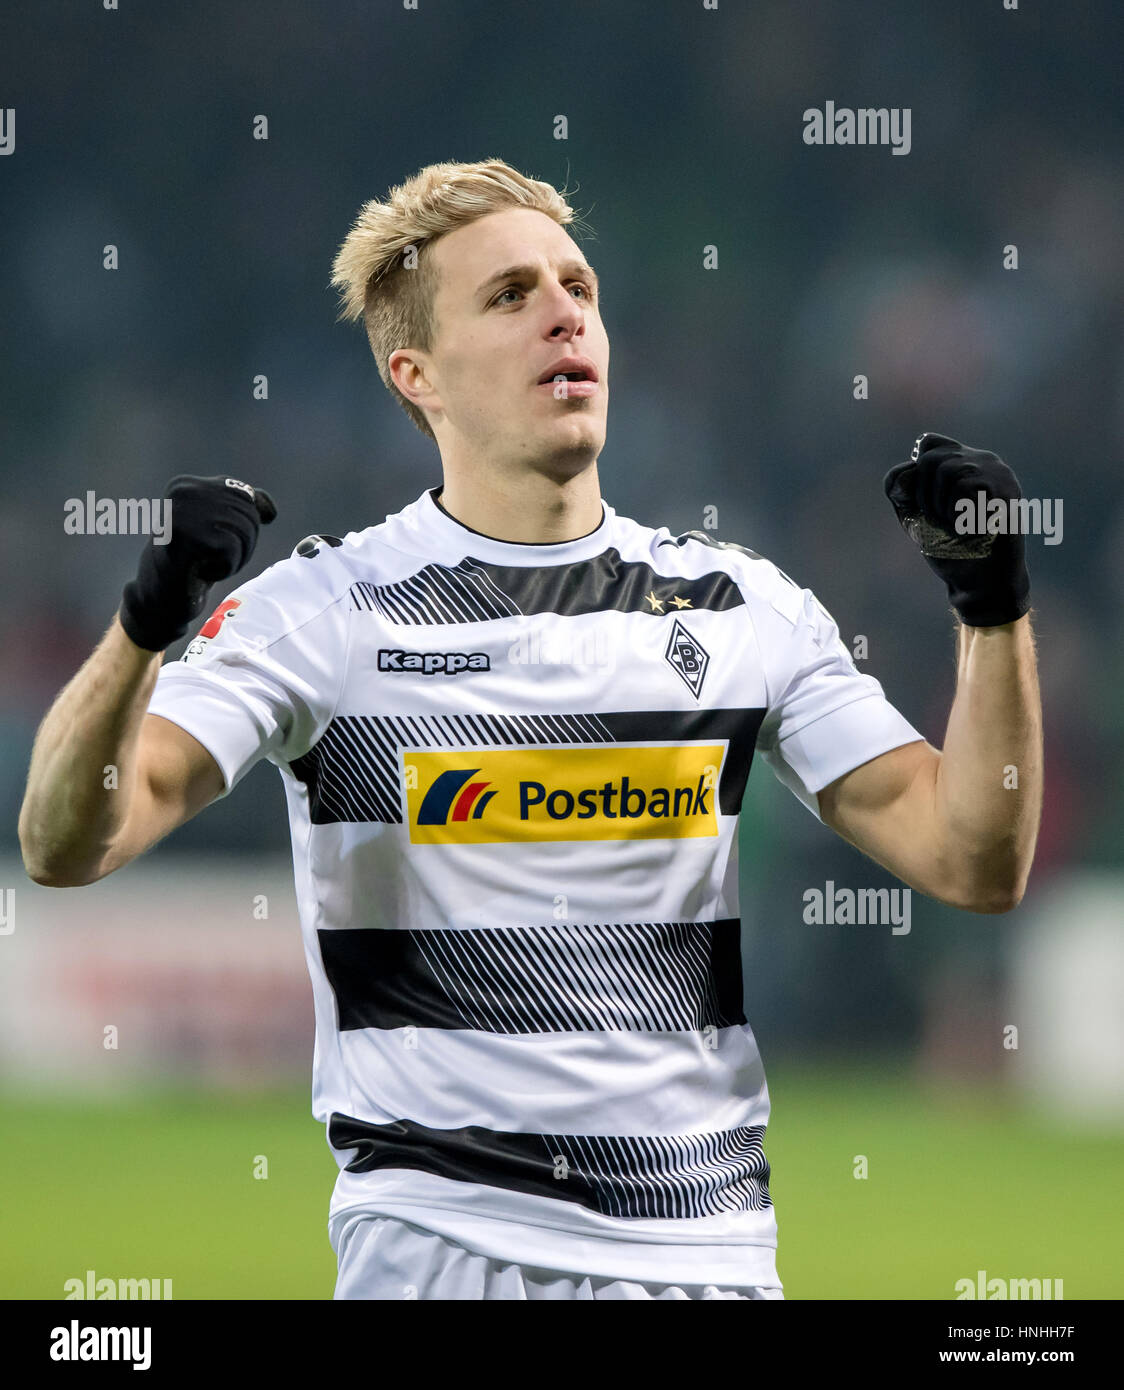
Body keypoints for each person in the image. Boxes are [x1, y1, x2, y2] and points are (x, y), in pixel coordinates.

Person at [18, 157, 1042, 1301]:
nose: (563, 310)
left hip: (709, 1260)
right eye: (508, 295)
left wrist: (990, 610)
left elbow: (972, 856)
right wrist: (144, 627)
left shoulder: (740, 605)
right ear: (417, 374)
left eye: (577, 286)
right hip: (446, 1251)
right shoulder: (328, 612)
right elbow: (67, 841)